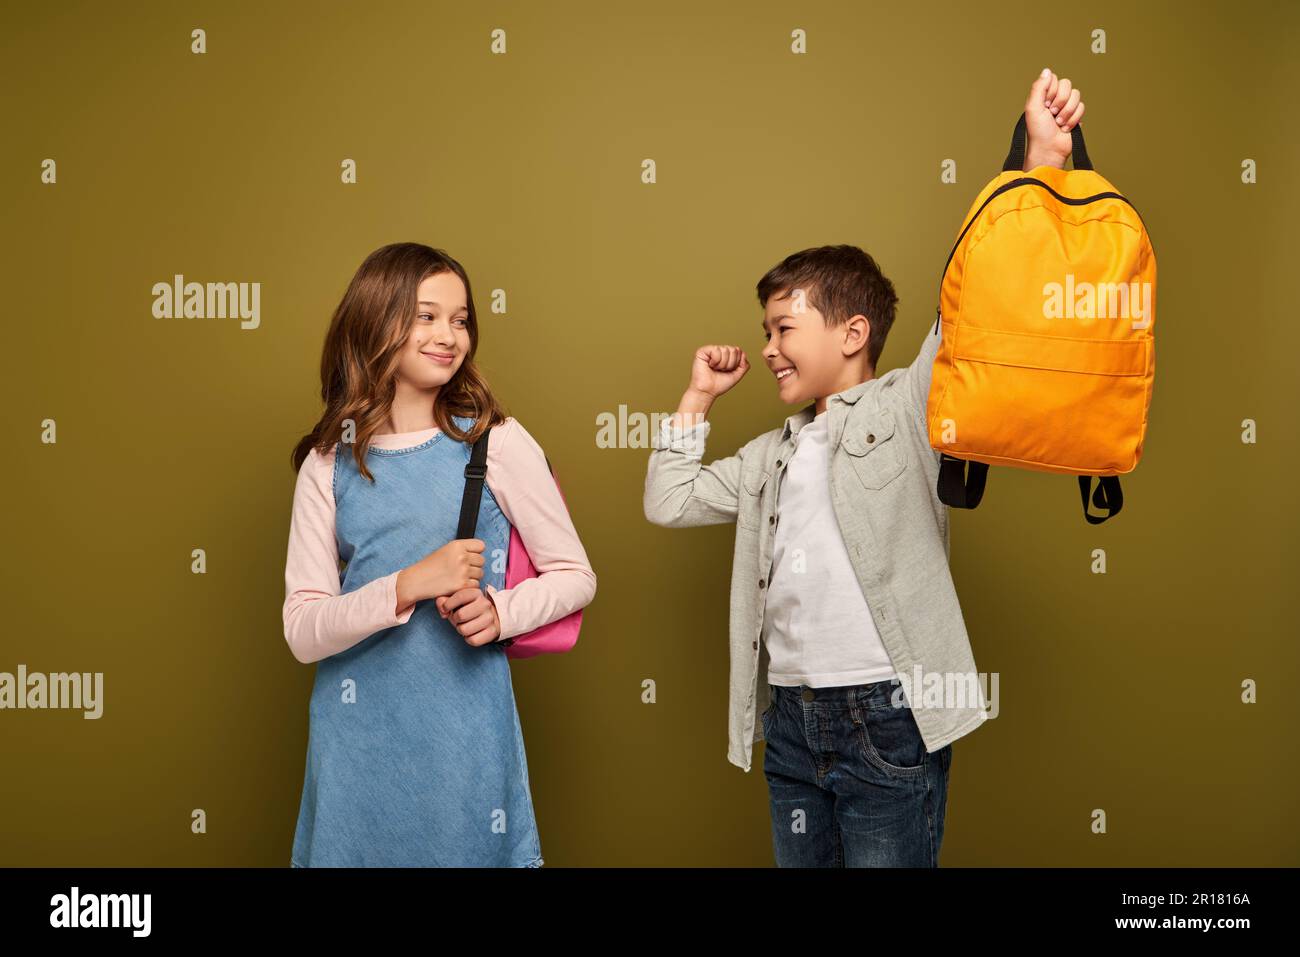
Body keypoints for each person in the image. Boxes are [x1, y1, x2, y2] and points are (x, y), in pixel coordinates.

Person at [643, 70, 1084, 867]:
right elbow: (668, 500)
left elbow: (973, 301)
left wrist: (1039, 161)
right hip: (791, 724)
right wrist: (697, 397)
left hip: (886, 716)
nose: (770, 346)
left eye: (784, 327)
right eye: (765, 330)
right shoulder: (769, 456)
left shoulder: (909, 407)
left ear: (852, 333)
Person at [283, 242, 596, 866]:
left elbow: (576, 575)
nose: (448, 335)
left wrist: (502, 612)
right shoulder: (327, 463)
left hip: (464, 740)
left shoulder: (496, 442)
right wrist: (408, 583)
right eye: (426, 316)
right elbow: (302, 630)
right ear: (375, 320)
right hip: (355, 745)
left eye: (460, 319)